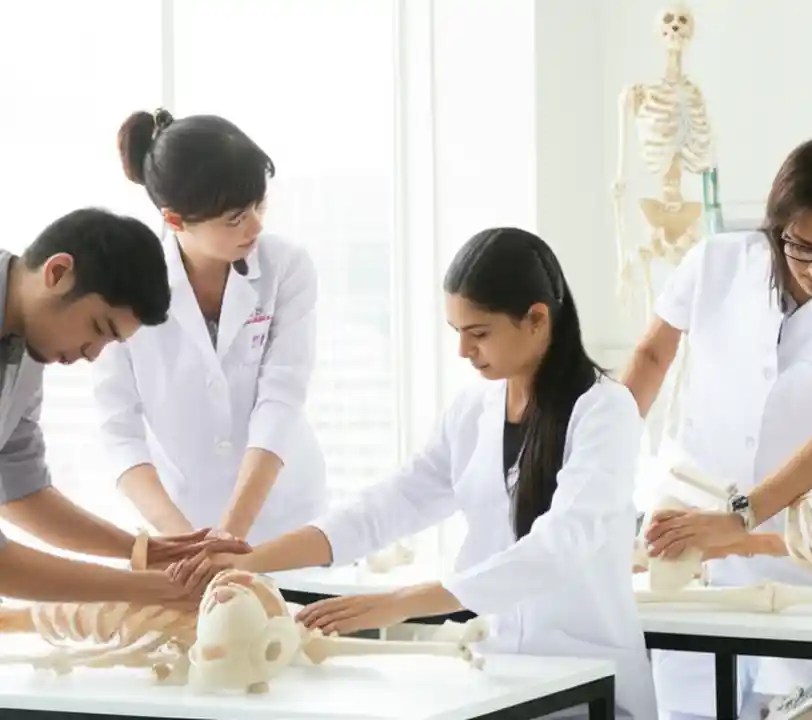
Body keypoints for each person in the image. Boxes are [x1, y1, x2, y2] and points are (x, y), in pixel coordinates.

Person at [170, 227, 658, 718]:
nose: (464, 351)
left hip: (590, 682)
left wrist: (404, 601)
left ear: (536, 319)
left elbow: (561, 544)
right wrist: (251, 561)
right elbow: (386, 507)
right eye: (456, 333)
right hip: (505, 678)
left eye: (479, 333)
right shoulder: (473, 411)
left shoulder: (605, 410)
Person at [629, 136, 812, 718]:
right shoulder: (717, 261)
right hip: (685, 523)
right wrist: (593, 458)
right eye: (802, 247)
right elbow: (651, 359)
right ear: (777, 227)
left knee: (779, 705)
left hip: (791, 543)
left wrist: (741, 517)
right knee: (685, 703)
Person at [92, 108, 327, 545]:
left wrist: (231, 533)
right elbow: (118, 427)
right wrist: (184, 537)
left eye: (260, 203)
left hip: (285, 513)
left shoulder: (286, 267)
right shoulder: (124, 288)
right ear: (175, 220)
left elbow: (282, 397)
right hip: (183, 515)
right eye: (234, 218)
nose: (256, 225)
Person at [0, 207, 247, 603]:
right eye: (99, 328)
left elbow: (18, 490)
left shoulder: (29, 346)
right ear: (58, 273)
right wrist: (154, 589)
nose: (93, 354)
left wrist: (141, 550)